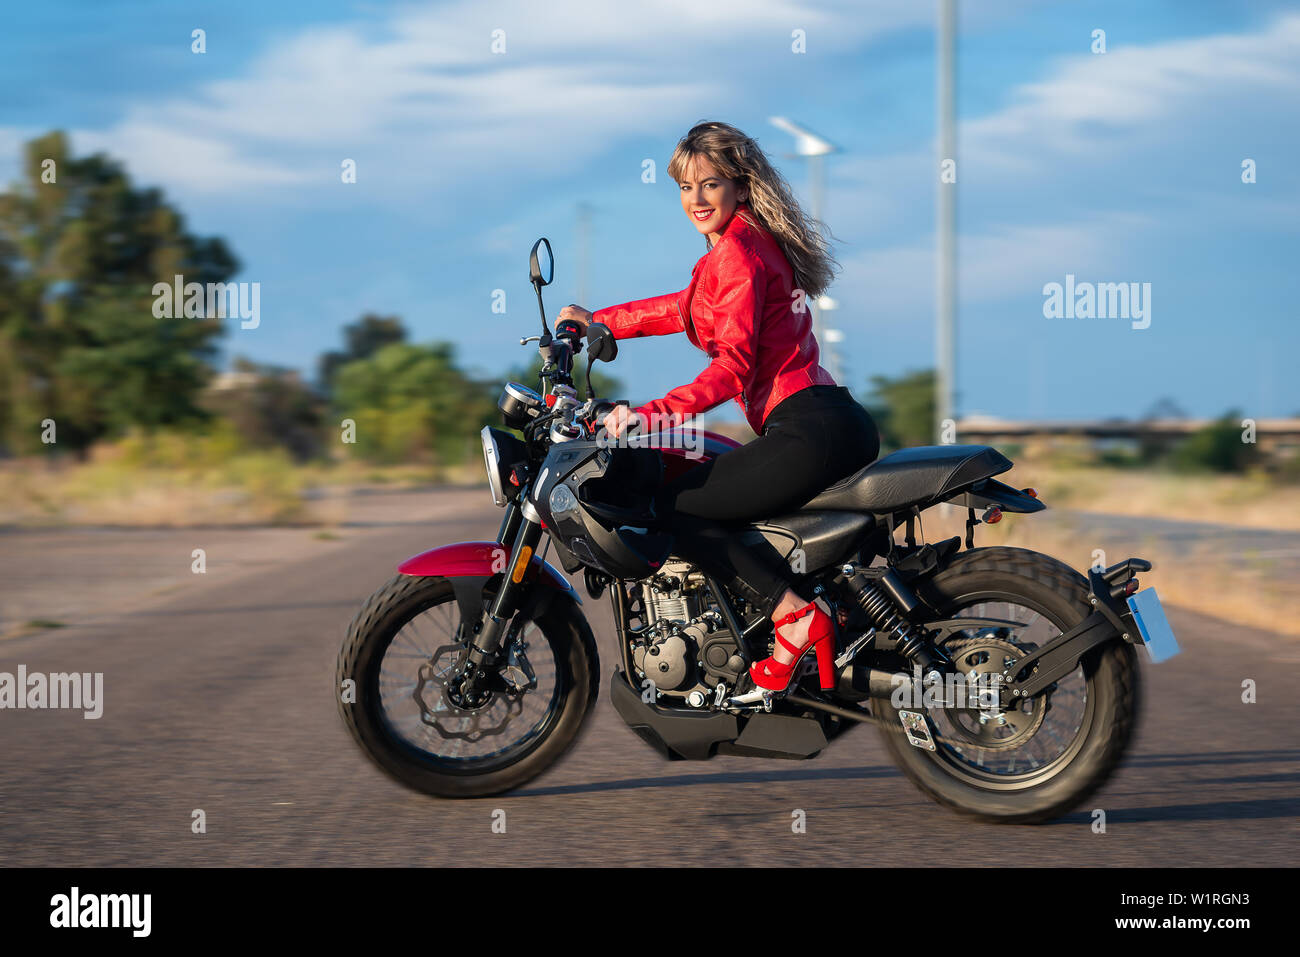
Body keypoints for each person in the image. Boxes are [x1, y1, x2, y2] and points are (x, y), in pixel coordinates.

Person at [556, 121, 879, 693]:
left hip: (807, 425)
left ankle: (796, 618)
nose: (696, 199)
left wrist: (647, 416)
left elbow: (731, 368)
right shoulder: (744, 247)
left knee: (675, 507)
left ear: (741, 186)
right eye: (684, 187)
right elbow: (683, 309)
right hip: (826, 419)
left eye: (709, 184)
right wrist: (602, 323)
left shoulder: (737, 254)